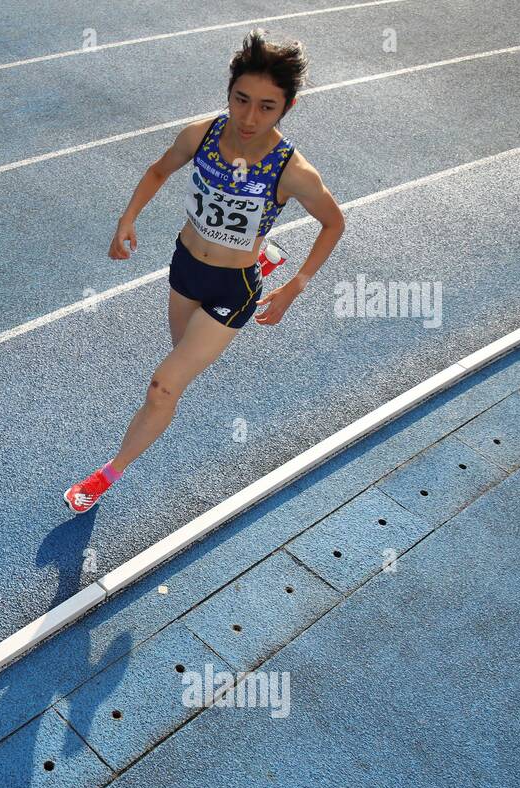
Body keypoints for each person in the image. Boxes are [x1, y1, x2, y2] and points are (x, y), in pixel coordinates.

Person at [64, 29, 345, 513]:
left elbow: (333, 222)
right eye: (241, 100)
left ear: (287, 108)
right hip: (186, 266)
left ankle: (108, 474)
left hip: (232, 287)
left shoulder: (293, 171)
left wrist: (296, 286)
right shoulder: (202, 134)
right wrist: (127, 219)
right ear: (229, 91)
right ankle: (262, 252)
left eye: (266, 106)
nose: (249, 116)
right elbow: (158, 170)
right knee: (180, 359)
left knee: (164, 386)